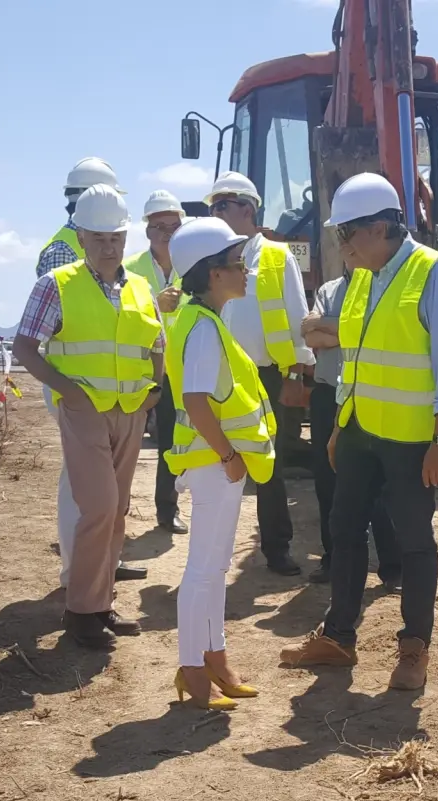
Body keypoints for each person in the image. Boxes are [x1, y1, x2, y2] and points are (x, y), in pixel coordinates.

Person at [279, 173, 438, 691]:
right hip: (359, 431)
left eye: (347, 233)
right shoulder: (362, 279)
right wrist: (341, 425)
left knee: (413, 542)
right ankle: (339, 637)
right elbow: (355, 361)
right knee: (344, 531)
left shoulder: (433, 274)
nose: (341, 244)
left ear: (380, 227)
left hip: (411, 439)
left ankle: (414, 647)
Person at [13, 185, 163, 649]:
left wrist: (154, 390)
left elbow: (156, 343)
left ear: (125, 237)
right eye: (98, 238)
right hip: (84, 412)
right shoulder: (56, 285)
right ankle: (81, 611)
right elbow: (25, 347)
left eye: (115, 237)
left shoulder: (140, 288)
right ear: (80, 237)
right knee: (98, 506)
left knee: (116, 510)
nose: (109, 247)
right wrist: (69, 392)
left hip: (130, 410)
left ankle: (101, 603)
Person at [162, 218, 275, 710]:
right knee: (203, 571)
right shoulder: (204, 328)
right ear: (213, 273)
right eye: (236, 263)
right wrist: (229, 455)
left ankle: (215, 660)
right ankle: (193, 668)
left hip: (215, 462)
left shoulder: (203, 320)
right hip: (213, 462)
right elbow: (196, 400)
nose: (245, 270)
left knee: (215, 567)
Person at [37, 156, 148, 582]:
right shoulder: (64, 250)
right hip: (78, 386)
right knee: (81, 484)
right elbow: (66, 319)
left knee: (100, 486)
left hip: (102, 386)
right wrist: (72, 391)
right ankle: (78, 572)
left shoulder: (76, 241)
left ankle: (101, 566)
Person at [207, 172, 315, 576]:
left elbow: (296, 315)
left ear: (248, 209)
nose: (215, 213)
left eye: (222, 205)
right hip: (221, 376)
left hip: (266, 377)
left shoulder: (276, 256)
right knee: (219, 463)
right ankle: (215, 550)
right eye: (213, 207)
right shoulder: (212, 258)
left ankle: (276, 548)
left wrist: (295, 375)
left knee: (269, 466)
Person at [304, 270, 402, 589]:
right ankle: (333, 559)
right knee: (326, 479)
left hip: (368, 395)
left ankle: (392, 566)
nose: (350, 251)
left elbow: (378, 331)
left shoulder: (383, 288)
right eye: (345, 247)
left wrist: (328, 327)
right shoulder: (329, 290)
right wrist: (353, 332)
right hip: (327, 394)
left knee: (378, 481)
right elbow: (309, 335)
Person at [126, 189, 188, 535]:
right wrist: (154, 307)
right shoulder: (129, 268)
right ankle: (117, 511)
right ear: (147, 229)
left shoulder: (193, 266)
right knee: (125, 444)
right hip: (138, 369)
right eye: (159, 227)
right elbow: (121, 317)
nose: (167, 233)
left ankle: (168, 509)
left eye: (174, 226)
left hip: (178, 370)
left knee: (171, 443)